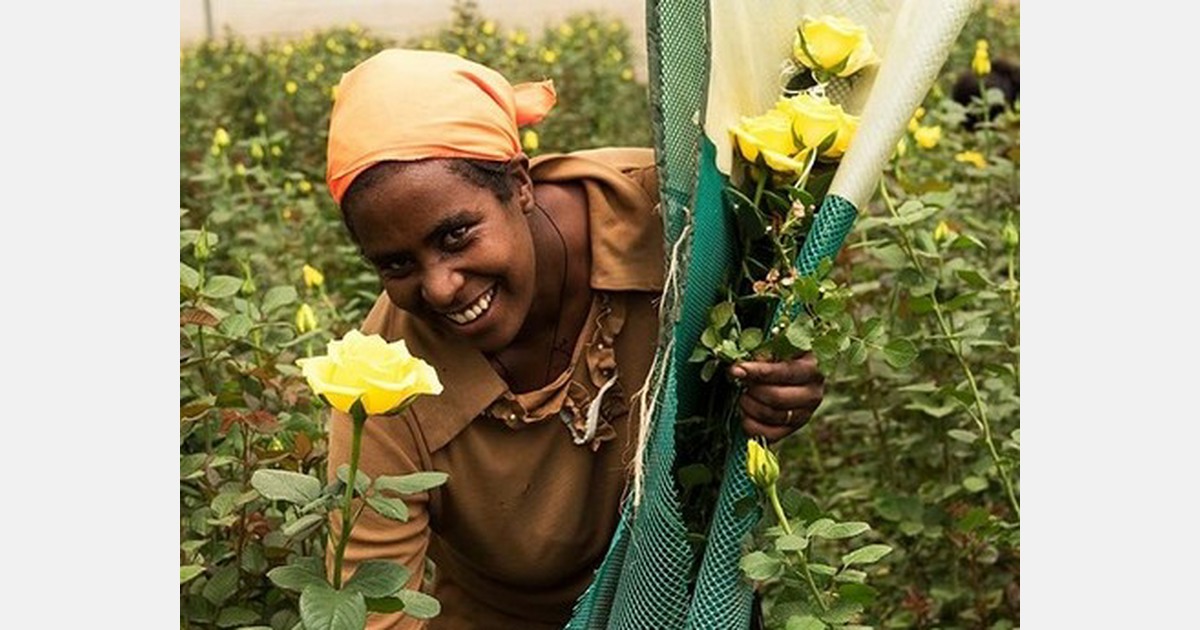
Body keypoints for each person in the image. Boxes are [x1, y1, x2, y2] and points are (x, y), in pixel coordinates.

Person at [322, 48, 827, 629]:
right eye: (395, 265)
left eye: (456, 235)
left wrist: (779, 385)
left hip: (686, 598)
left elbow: (779, 307)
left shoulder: (679, 227)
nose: (439, 288)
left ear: (519, 185)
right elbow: (374, 607)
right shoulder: (381, 382)